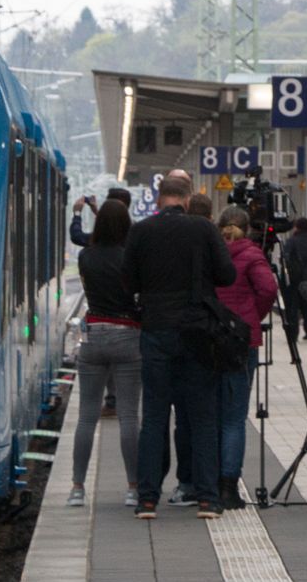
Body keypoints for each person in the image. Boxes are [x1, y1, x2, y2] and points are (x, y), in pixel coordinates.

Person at [123, 175, 236, 519]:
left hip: (156, 331)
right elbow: (227, 275)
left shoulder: (141, 230)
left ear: (160, 200)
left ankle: (146, 500)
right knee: (202, 418)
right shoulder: (203, 229)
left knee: (154, 417)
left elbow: (127, 281)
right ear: (187, 200)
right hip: (196, 332)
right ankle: (208, 500)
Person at [67, 200, 141, 509]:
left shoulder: (86, 256)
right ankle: (133, 489)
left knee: (86, 417)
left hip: (94, 335)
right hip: (128, 334)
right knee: (128, 417)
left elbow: (88, 239)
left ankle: (77, 489)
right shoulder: (131, 257)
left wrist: (82, 213)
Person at [213, 205, 278, 511]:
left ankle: (207, 483)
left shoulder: (211, 254)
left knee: (210, 413)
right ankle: (229, 488)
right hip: (241, 342)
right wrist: (252, 316)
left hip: (211, 338)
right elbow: (268, 289)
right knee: (234, 417)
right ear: (248, 228)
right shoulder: (253, 254)